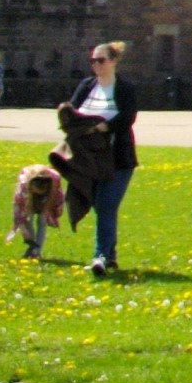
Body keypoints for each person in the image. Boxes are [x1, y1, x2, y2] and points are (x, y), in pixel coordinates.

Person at [69, 41, 139, 276]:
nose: (96, 65)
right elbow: (72, 111)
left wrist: (102, 127)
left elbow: (127, 118)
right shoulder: (86, 85)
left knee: (107, 205)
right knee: (99, 206)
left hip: (118, 159)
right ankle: (110, 255)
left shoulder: (125, 89)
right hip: (90, 159)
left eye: (101, 60)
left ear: (114, 61)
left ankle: (100, 256)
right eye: (93, 61)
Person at [9, 162, 63, 259]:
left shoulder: (54, 180)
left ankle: (37, 251)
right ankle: (32, 247)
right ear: (31, 186)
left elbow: (56, 198)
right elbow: (18, 208)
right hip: (29, 197)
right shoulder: (24, 185)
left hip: (47, 196)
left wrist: (48, 210)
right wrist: (24, 231)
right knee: (28, 220)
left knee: (42, 220)